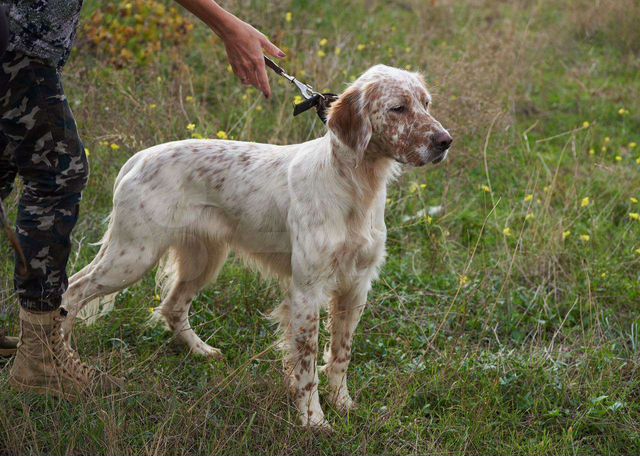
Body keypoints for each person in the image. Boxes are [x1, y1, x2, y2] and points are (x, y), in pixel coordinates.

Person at [0, 0, 284, 398]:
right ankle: (41, 357)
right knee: (58, 174)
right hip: (18, 45)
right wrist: (228, 26)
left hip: (18, 38)